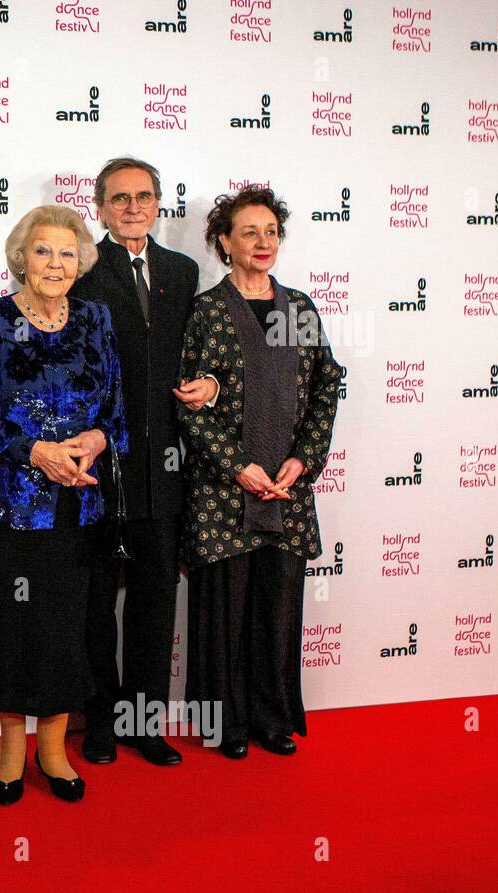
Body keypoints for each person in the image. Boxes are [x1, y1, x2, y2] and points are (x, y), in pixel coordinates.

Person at [0, 205, 127, 805]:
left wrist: (98, 439)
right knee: (14, 623)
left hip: (78, 504)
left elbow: (116, 413)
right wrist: (35, 451)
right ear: (22, 257)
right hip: (5, 506)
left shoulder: (97, 318)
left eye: (67, 252)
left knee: (64, 627)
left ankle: (53, 750)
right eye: (43, 250)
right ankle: (11, 751)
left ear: (83, 262)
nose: (55, 263)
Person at [178, 186, 342, 759]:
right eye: (249, 232)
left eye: (271, 231)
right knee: (226, 611)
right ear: (224, 241)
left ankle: (273, 718)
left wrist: (305, 458)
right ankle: (230, 724)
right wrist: (237, 467)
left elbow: (326, 385)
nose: (263, 242)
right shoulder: (207, 311)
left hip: (287, 490)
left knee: (277, 608)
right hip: (226, 494)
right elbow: (189, 405)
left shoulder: (299, 308)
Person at [68, 157, 213, 767]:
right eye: (119, 198)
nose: (133, 207)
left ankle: (141, 722)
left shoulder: (182, 271)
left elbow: (196, 349)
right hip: (101, 466)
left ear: (158, 204)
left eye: (144, 196)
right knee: (97, 599)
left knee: (156, 598)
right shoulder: (81, 269)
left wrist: (207, 380)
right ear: (99, 208)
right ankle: (100, 720)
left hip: (167, 466)